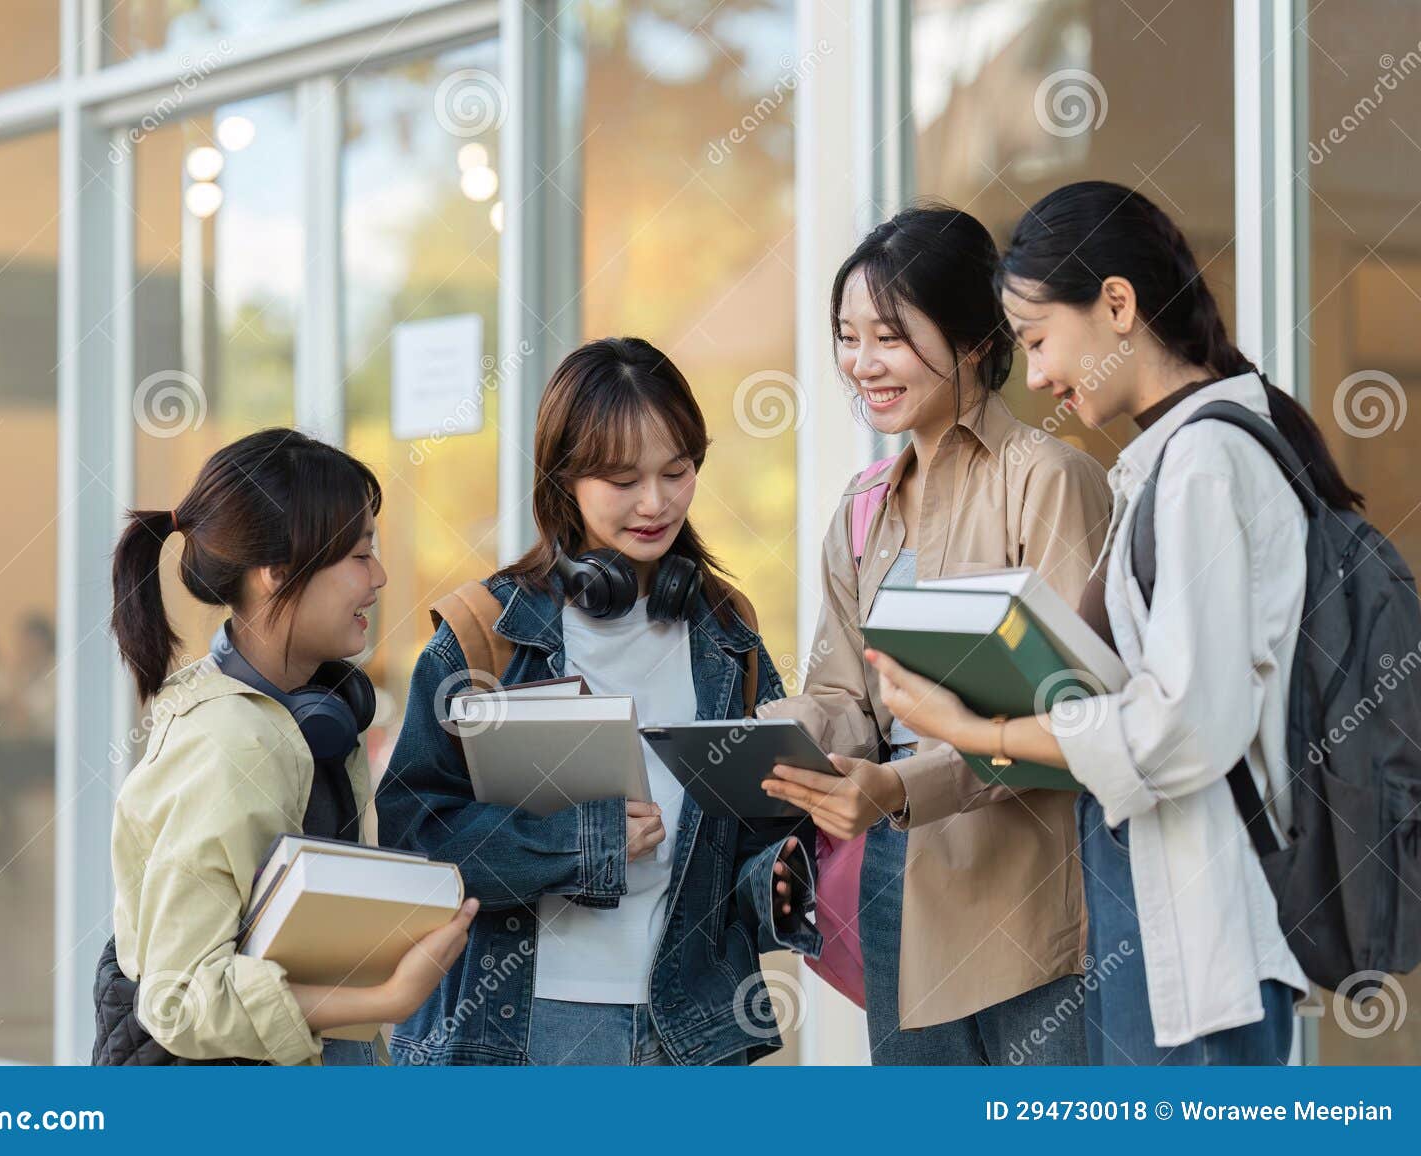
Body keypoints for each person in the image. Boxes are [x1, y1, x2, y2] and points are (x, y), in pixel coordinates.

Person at [866, 181, 1362, 1064]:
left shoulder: (1206, 462)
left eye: (1039, 340)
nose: (1042, 374)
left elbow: (1183, 726)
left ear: (1118, 304)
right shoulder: (1174, 459)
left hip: (1200, 934)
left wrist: (986, 730)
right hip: (1161, 921)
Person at [377, 337, 818, 1066]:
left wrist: (775, 874)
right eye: (622, 480)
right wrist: (585, 842)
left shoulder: (728, 633)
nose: (656, 502)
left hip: (692, 1037)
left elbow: (753, 841)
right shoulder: (482, 636)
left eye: (677, 472)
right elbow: (415, 843)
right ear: (564, 482)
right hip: (524, 1033)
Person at [759, 205, 1110, 1064]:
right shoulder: (861, 506)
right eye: (847, 337)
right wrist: (761, 737)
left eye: (890, 336)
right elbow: (847, 694)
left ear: (974, 340)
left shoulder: (1050, 482)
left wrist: (898, 786)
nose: (862, 363)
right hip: (896, 880)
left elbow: (1068, 717)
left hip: (1033, 894)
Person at [97, 428, 476, 1066]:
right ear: (276, 574)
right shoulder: (231, 743)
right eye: (360, 555)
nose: (379, 577)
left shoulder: (306, 713)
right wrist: (388, 997)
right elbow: (181, 998)